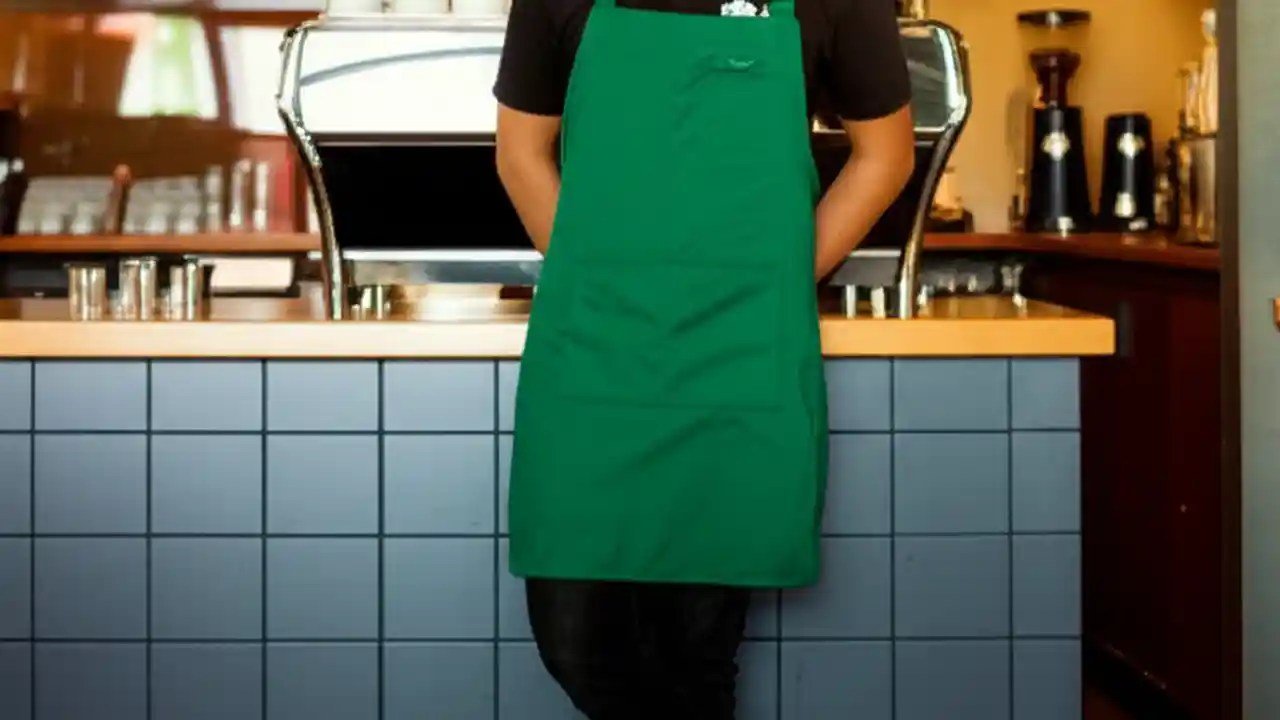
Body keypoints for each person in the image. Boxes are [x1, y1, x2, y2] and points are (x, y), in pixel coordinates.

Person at [494, 0, 914, 715]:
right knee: (576, 647)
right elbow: (520, 152)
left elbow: (887, 154)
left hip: (737, 357)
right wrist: (594, 277)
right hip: (597, 358)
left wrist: (775, 279)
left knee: (696, 656)